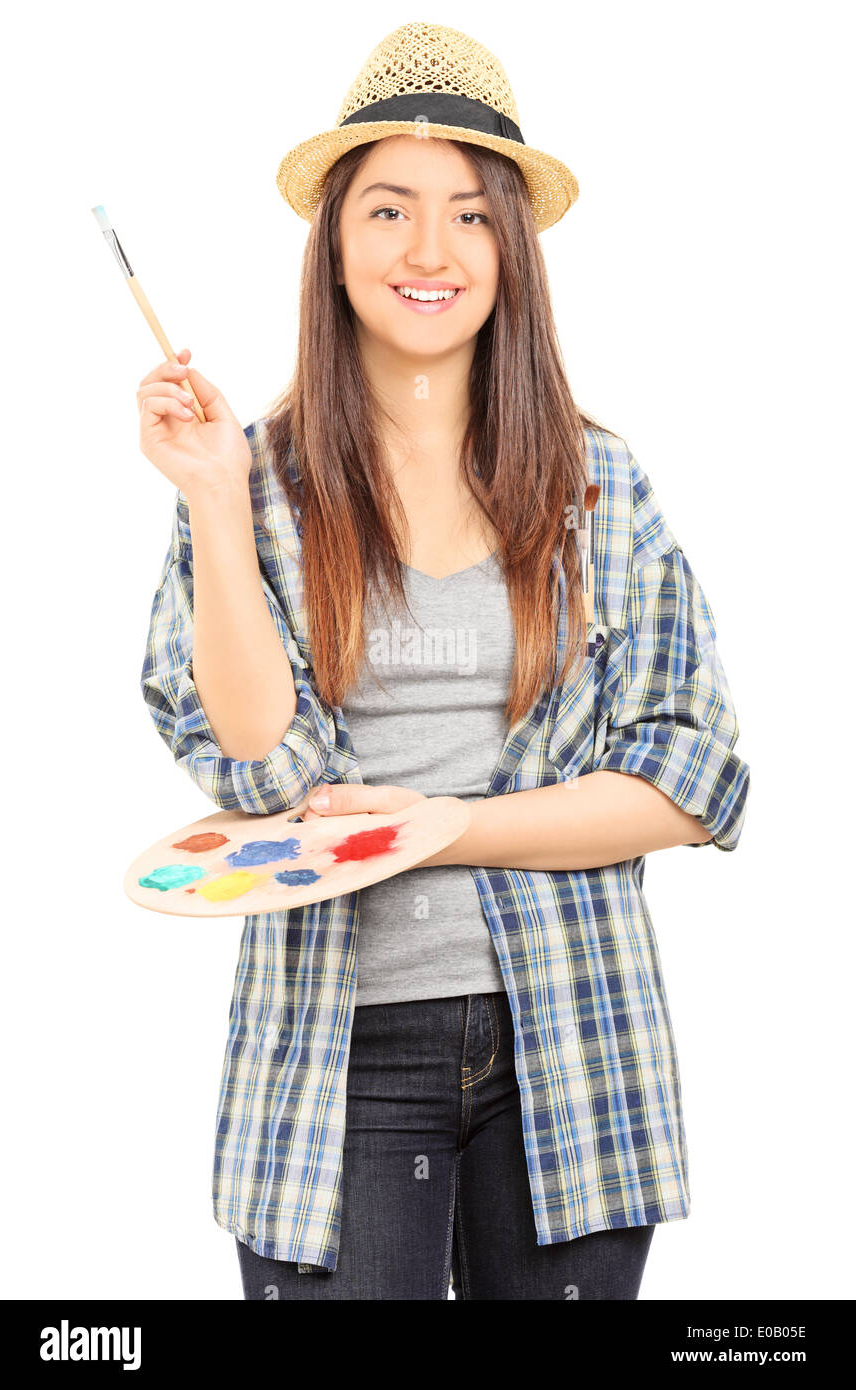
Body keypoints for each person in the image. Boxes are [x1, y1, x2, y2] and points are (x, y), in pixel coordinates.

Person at [138, 22, 750, 1300]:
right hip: (333, 1056)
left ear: (511, 253)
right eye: (389, 211)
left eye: (470, 218)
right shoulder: (257, 485)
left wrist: (442, 827)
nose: (429, 252)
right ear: (335, 244)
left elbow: (687, 779)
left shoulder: (598, 483)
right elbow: (257, 766)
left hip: (571, 1042)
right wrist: (211, 500)